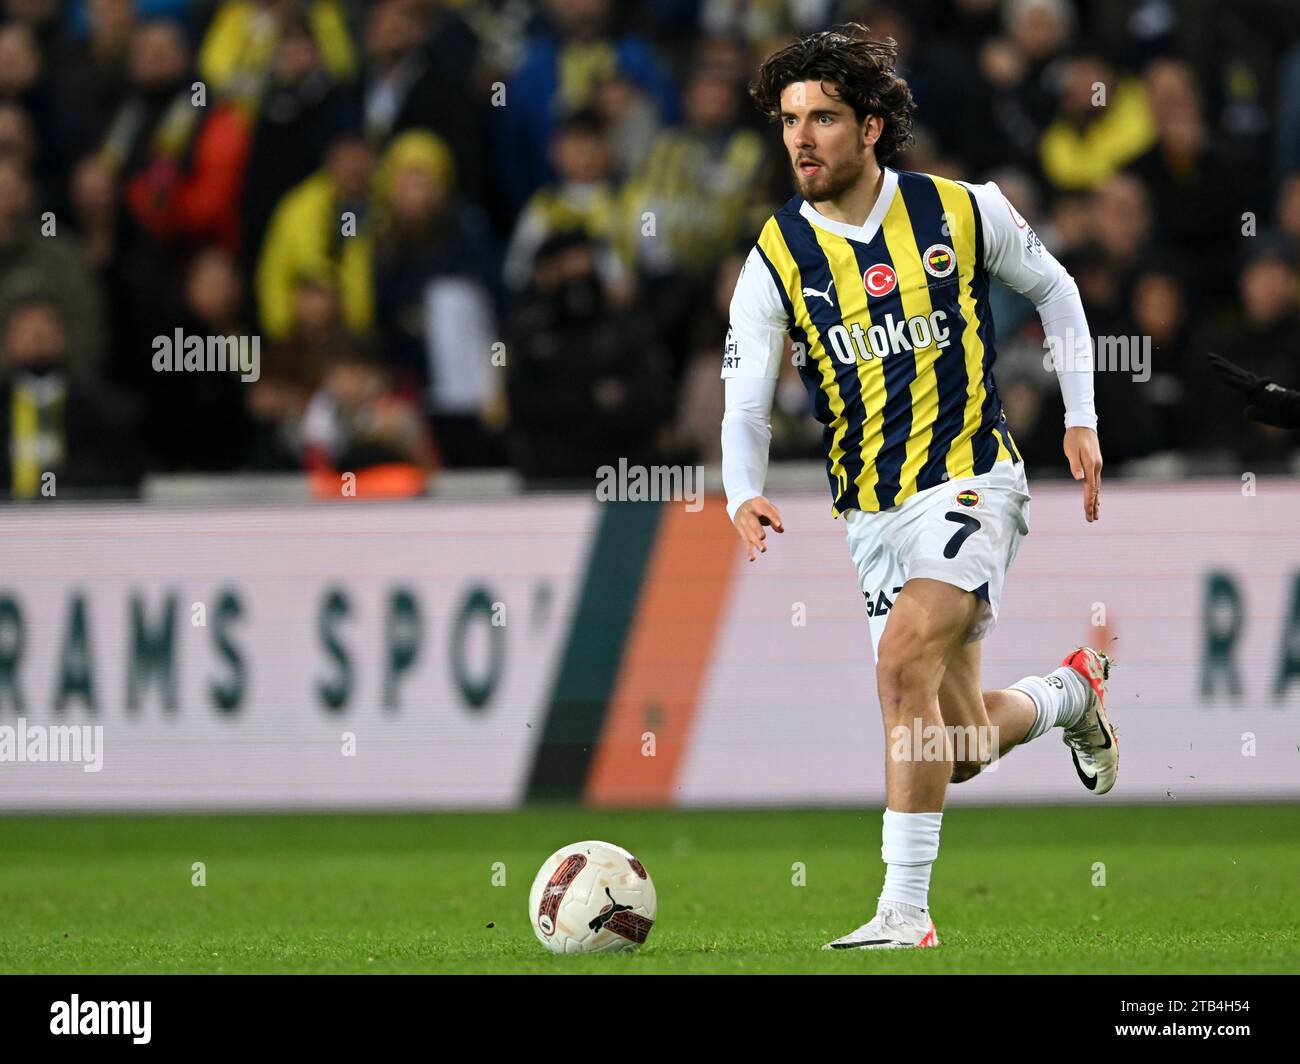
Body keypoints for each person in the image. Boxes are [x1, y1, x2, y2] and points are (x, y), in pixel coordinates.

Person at [719, 23, 1114, 950]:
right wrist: (742, 491)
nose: (801, 138)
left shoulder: (961, 210)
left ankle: (903, 910)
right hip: (872, 515)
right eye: (788, 120)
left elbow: (1057, 290)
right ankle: (1070, 694)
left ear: (870, 127)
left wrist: (1081, 417)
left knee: (900, 661)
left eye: (821, 117)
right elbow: (745, 398)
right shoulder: (776, 258)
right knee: (957, 745)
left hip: (973, 480)